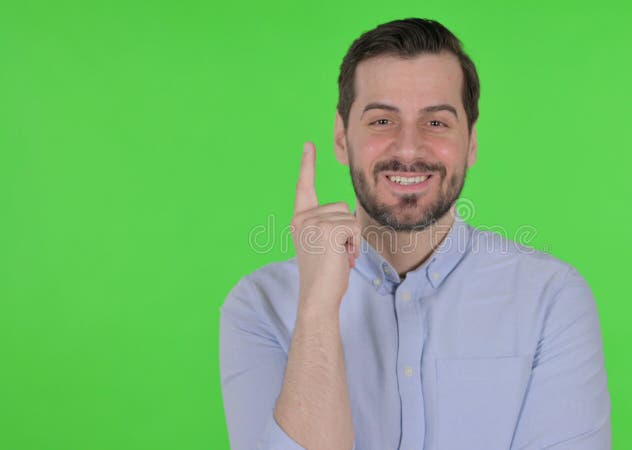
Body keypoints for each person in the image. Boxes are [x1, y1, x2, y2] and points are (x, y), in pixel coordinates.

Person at [219, 18, 611, 450]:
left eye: (437, 123)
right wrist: (316, 309)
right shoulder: (259, 306)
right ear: (341, 137)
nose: (408, 149)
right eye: (382, 121)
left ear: (472, 142)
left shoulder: (551, 298)